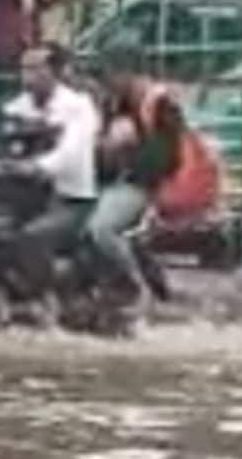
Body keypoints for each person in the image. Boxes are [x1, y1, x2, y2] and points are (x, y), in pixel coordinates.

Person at [5, 44, 102, 297]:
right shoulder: (17, 107)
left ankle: (45, 299)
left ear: (55, 72)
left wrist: (36, 166)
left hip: (71, 199)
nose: (28, 76)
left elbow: (69, 154)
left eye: (37, 69)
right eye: (24, 69)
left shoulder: (79, 108)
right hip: (24, 196)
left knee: (33, 236)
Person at [89, 59, 185, 308]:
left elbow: (168, 157)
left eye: (111, 76)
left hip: (144, 185)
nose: (107, 84)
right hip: (112, 181)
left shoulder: (159, 103)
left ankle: (134, 287)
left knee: (102, 229)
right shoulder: (114, 102)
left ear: (127, 73)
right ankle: (146, 282)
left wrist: (129, 154)